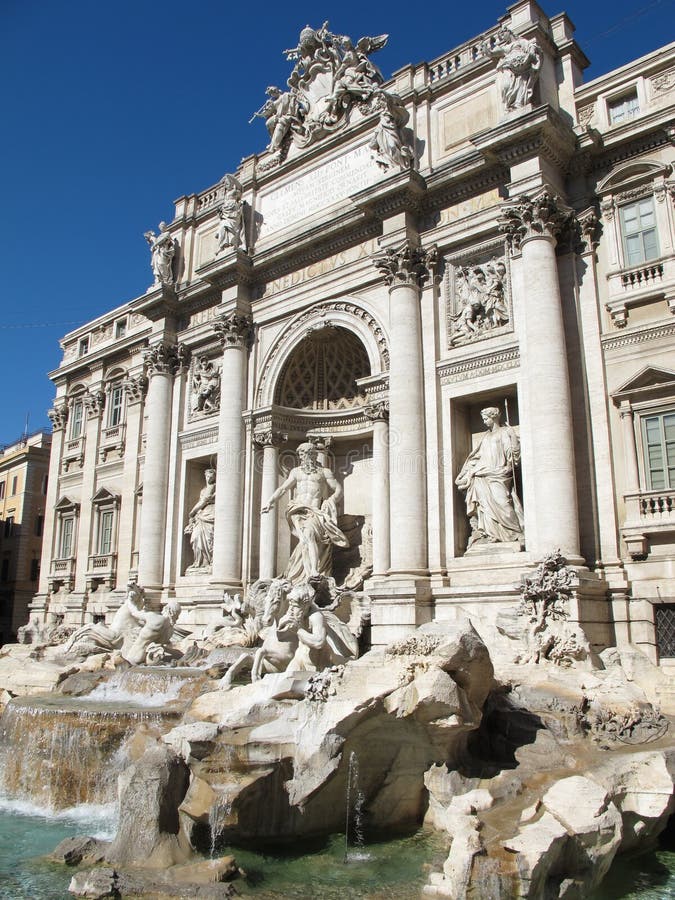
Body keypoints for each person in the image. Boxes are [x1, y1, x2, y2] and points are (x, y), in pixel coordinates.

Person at [262, 442, 349, 583]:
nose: (300, 457)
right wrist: (270, 502)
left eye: (303, 453)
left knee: (306, 539)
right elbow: (283, 488)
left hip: (314, 511)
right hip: (298, 509)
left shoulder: (324, 472)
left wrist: (330, 500)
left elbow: (338, 489)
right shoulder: (296, 472)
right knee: (307, 536)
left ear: (311, 454)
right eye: (300, 454)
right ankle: (313, 571)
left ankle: (307, 572)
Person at [455, 407, 524, 548]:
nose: (484, 422)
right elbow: (476, 457)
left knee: (503, 502)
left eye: (486, 419)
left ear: (494, 417)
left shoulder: (505, 432)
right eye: (483, 419)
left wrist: (512, 436)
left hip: (499, 473)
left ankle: (516, 532)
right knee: (484, 506)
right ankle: (491, 534)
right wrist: (466, 473)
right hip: (482, 475)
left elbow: (513, 454)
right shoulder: (486, 436)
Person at [62, 582, 146, 656]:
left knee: (92, 628)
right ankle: (74, 638)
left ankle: (76, 636)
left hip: (117, 633)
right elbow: (137, 614)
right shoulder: (132, 604)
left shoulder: (131, 603)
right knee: (92, 627)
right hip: (115, 634)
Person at [184, 468, 216, 569]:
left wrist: (192, 512)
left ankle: (207, 561)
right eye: (207, 476)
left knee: (208, 538)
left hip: (210, 512)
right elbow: (201, 502)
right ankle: (199, 562)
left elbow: (204, 501)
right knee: (197, 537)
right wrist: (195, 514)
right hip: (201, 514)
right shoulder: (203, 490)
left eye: (211, 476)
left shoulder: (213, 487)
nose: (209, 478)